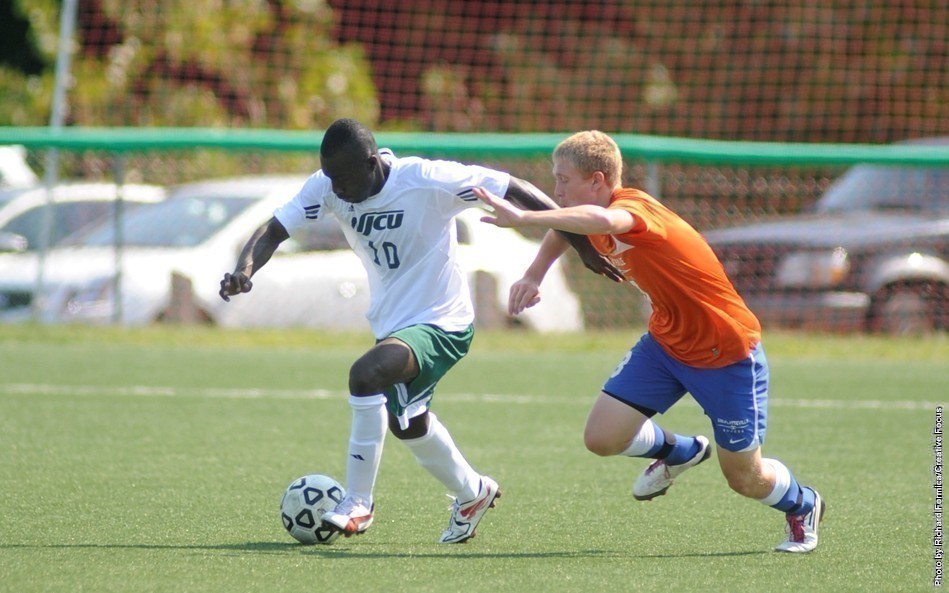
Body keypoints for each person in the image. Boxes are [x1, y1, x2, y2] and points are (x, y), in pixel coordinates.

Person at [218, 119, 620, 543]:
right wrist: (245, 270)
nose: (335, 189)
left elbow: (512, 187)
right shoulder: (328, 184)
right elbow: (274, 228)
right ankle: (472, 491)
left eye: (344, 179)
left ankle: (358, 502)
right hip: (393, 323)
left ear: (372, 163)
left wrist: (580, 242)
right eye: (331, 178)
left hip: (442, 321)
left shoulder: (426, 179)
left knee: (366, 374)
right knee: (407, 423)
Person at [474, 130, 824, 553]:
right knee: (601, 438)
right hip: (665, 346)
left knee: (745, 479)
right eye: (555, 178)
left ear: (598, 181)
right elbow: (570, 229)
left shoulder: (631, 211)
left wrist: (526, 218)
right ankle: (680, 451)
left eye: (564, 179)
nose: (556, 189)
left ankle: (803, 504)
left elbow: (601, 223)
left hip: (726, 353)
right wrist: (533, 274)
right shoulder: (586, 210)